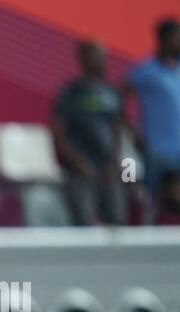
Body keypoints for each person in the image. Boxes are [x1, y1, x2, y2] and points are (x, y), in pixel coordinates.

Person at [52, 40, 126, 225]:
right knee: (83, 223)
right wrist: (79, 163)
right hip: (80, 170)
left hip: (109, 169)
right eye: (95, 57)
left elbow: (117, 130)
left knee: (117, 221)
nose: (100, 61)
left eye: (103, 57)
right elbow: (59, 134)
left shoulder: (112, 93)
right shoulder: (71, 93)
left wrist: (114, 162)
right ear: (83, 59)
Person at [124, 19, 180, 201]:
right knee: (155, 201)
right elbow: (118, 100)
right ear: (164, 38)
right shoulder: (146, 71)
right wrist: (132, 130)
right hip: (157, 151)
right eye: (177, 36)